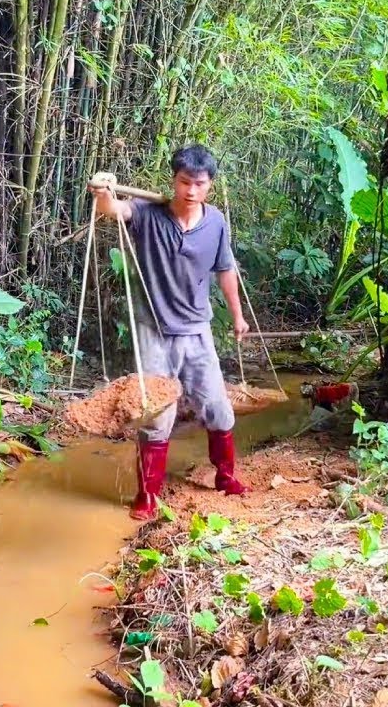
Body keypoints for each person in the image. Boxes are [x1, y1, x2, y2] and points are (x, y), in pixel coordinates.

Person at [87, 144, 250, 520]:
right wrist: (103, 192)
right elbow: (113, 211)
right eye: (183, 182)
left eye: (198, 184)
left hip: (197, 329)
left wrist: (238, 316)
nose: (190, 191)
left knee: (217, 407)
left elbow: (225, 270)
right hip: (154, 329)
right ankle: (147, 495)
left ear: (209, 185)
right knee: (157, 414)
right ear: (173, 180)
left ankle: (226, 477)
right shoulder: (147, 214)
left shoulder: (217, 223)